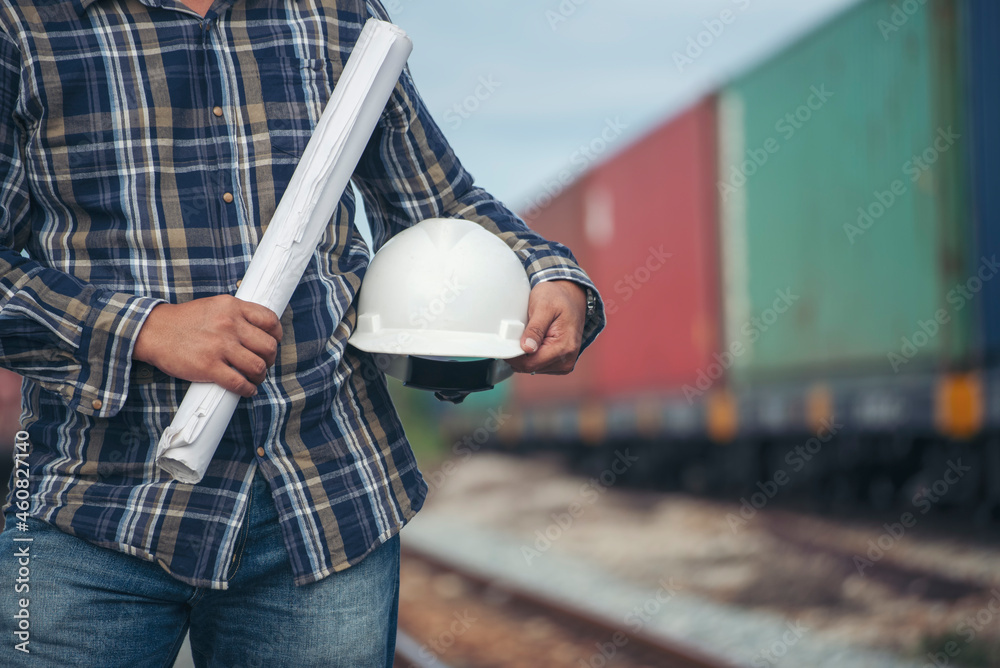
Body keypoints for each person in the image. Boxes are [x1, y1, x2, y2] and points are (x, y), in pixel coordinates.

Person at [0, 0, 604, 665]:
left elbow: (440, 203)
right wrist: (145, 331)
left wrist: (545, 272)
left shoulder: (334, 11)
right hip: (92, 508)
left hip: (325, 499)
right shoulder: (26, 25)